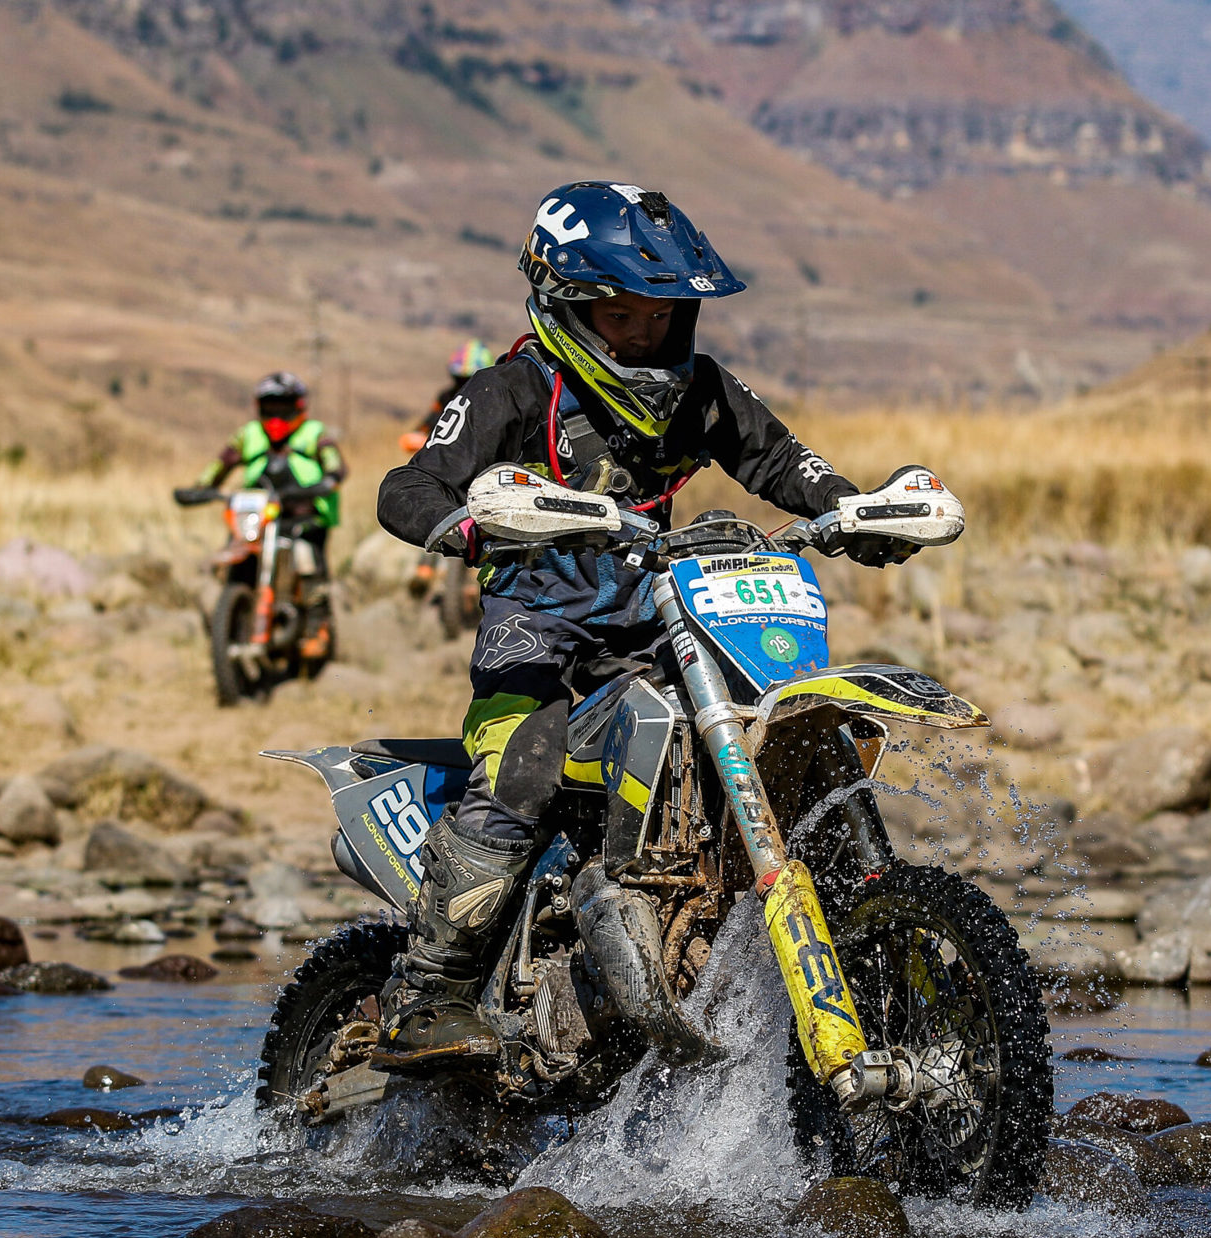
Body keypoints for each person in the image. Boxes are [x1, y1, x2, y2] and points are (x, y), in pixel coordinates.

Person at [373, 180, 901, 1070]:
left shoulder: (700, 389)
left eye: (663, 316)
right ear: (567, 307)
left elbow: (775, 456)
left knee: (772, 730)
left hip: (659, 621)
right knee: (523, 767)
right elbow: (406, 487)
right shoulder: (511, 389)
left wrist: (852, 507)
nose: (648, 335)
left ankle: (852, 939)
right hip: (537, 627)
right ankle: (425, 994)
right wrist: (470, 523)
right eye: (624, 316)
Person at [197, 372, 348, 652]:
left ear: (299, 406)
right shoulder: (249, 435)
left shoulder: (314, 434)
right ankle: (232, 620)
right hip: (258, 515)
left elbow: (335, 466)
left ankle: (318, 626)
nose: (277, 415)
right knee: (234, 555)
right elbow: (221, 464)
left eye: (284, 406)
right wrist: (202, 487)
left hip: (303, 514)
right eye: (271, 407)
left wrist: (328, 482)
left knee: (307, 558)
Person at [401, 341, 497, 631]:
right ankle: (424, 566)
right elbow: (427, 424)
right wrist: (418, 436)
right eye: (459, 380)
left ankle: (487, 575)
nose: (463, 386)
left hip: (484, 479)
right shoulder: (445, 399)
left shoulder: (495, 399)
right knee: (432, 508)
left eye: (469, 380)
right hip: (452, 476)